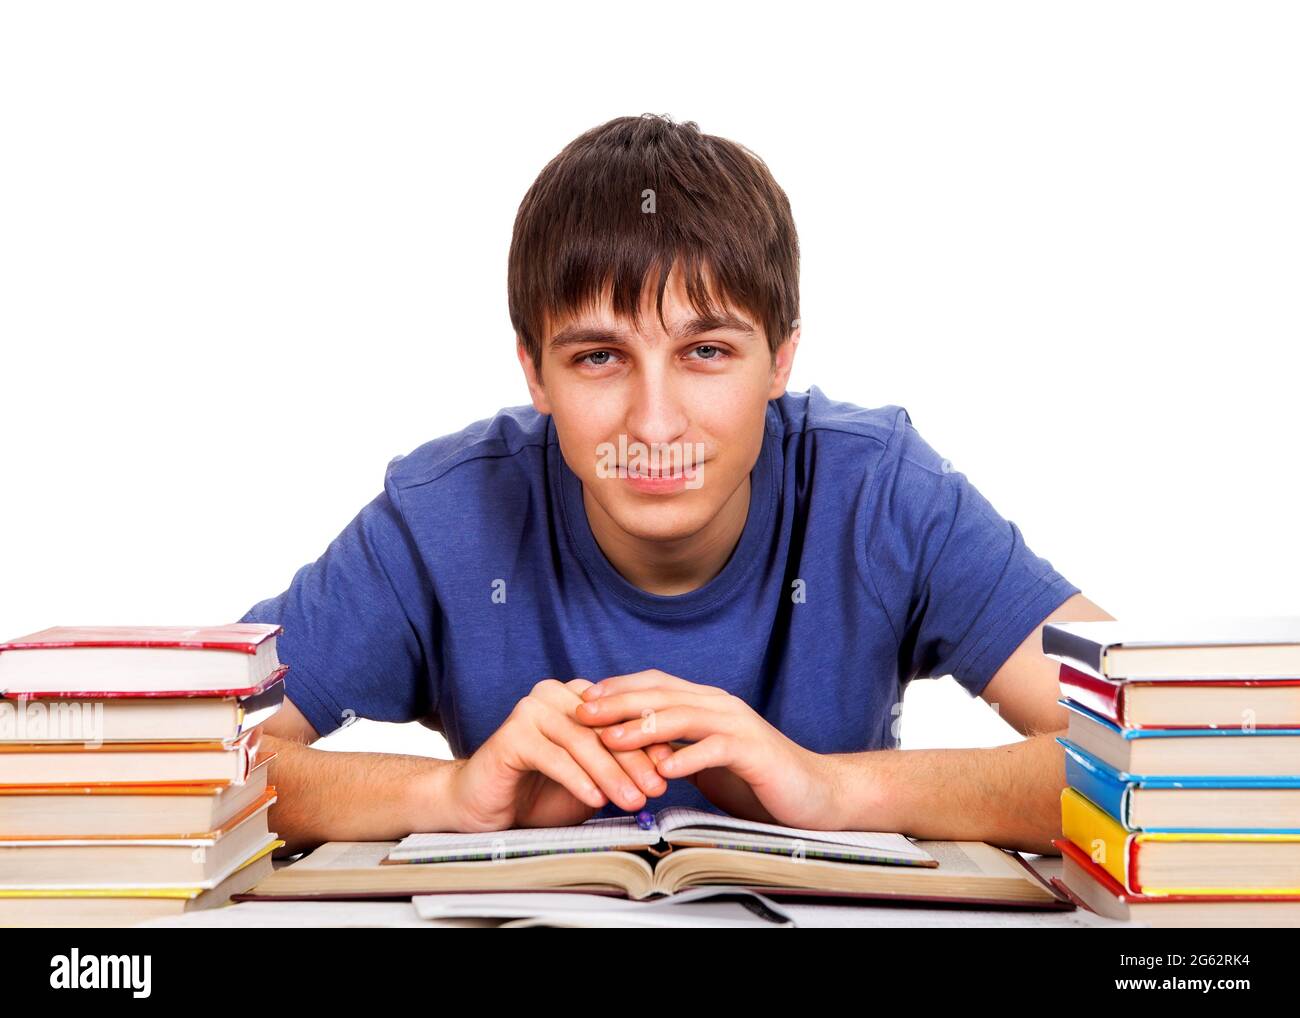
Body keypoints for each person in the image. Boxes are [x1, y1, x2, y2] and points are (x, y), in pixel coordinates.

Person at [242, 113, 1112, 856]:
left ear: (780, 360)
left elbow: (1152, 744)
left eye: (705, 352)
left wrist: (835, 792)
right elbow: (201, 752)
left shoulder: (879, 492)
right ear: (535, 378)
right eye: (598, 357)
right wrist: (453, 799)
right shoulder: (446, 515)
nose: (655, 427)